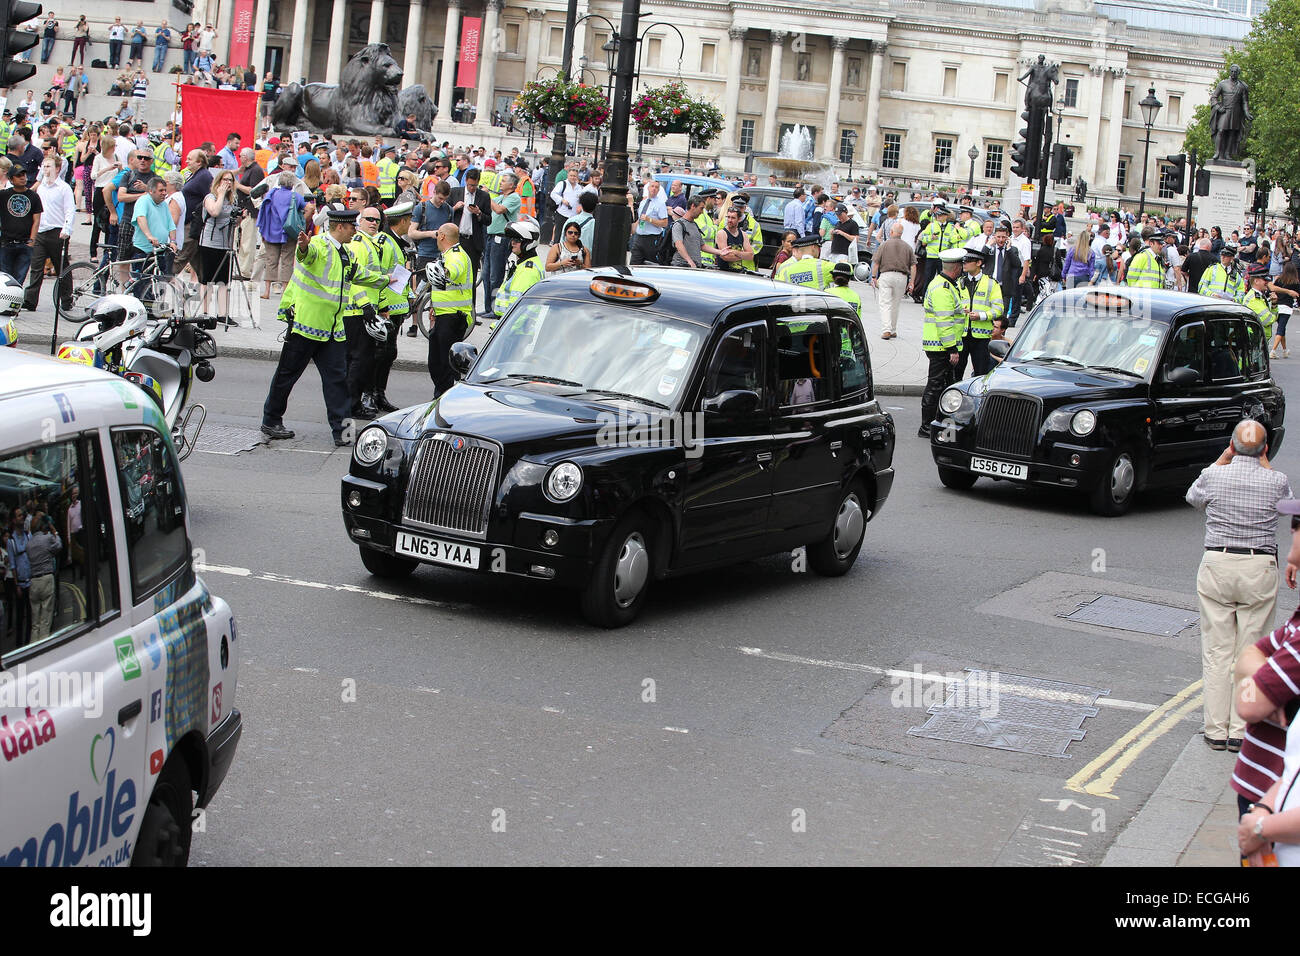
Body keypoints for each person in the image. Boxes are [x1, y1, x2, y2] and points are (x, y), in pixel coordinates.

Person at [1186, 420, 1293, 751]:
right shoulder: (1276, 481)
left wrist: (1222, 459)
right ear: (1264, 449)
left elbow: (1192, 497)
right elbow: (1287, 507)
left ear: (1231, 445)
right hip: (1258, 567)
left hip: (1218, 563)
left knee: (1217, 650)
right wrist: (1266, 464)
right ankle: (1240, 730)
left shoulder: (1214, 475)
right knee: (1252, 650)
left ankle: (1215, 730)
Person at [262, 202, 388, 446]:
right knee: (287, 374)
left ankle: (344, 433)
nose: (355, 231)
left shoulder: (345, 252)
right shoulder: (319, 244)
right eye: (352, 227)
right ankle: (271, 419)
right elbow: (308, 256)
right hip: (306, 325)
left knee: (337, 380)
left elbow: (359, 275)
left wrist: (386, 280)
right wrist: (303, 247)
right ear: (341, 227)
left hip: (332, 330)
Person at [918, 248, 968, 438]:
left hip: (940, 345)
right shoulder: (942, 289)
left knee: (944, 385)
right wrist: (952, 349)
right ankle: (926, 427)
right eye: (961, 265)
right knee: (936, 386)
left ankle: (940, 426)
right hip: (941, 346)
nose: (963, 268)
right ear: (956, 267)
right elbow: (944, 322)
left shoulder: (946, 285)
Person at [426, 223, 474, 398]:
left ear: (442, 237)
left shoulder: (456, 256)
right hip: (444, 315)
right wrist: (434, 306)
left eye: (437, 234)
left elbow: (450, 273)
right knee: (436, 362)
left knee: (446, 365)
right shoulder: (448, 254)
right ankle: (441, 394)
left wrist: (445, 271)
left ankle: (445, 397)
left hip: (453, 318)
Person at [23, 155, 73, 309]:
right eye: (44, 166)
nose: (45, 170)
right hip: (41, 231)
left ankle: (66, 300)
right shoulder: (41, 187)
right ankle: (30, 300)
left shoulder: (64, 188)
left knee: (61, 267)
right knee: (36, 266)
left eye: (49, 166)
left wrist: (66, 229)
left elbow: (70, 210)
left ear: (57, 169)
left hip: (57, 232)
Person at [953, 248, 1003, 380]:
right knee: (956, 371)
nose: (964, 264)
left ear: (979, 263)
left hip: (981, 336)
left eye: (968, 261)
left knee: (980, 374)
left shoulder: (991, 284)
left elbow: (998, 309)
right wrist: (960, 310)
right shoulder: (959, 282)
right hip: (961, 334)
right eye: (963, 261)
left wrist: (981, 316)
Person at [256, 170, 306, 299]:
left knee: (271, 261)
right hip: (288, 232)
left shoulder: (272, 194)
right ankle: (285, 291)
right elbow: (306, 207)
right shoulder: (295, 196)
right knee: (287, 262)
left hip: (271, 231)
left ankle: (266, 291)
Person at [198, 168, 238, 322]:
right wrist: (220, 195)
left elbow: (233, 221)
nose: (228, 183)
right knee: (207, 280)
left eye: (230, 180)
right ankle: (205, 312)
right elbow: (214, 212)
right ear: (218, 181)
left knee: (224, 281)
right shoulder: (210, 197)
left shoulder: (232, 199)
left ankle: (223, 314)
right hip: (209, 242)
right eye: (225, 179)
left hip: (225, 244)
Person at [447, 168, 490, 312]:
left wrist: (478, 213)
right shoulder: (455, 192)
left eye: (475, 186)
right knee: (453, 274)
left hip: (473, 241)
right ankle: (453, 307)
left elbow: (488, 220)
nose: (472, 188)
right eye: (470, 185)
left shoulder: (483, 196)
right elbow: (445, 213)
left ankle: (469, 311)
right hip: (456, 239)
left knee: (470, 278)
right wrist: (454, 208)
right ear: (466, 181)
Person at [481, 171, 520, 315]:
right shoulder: (500, 197)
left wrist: (487, 196)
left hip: (502, 238)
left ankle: (495, 308)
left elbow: (498, 210)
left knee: (495, 276)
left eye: (504, 181)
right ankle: (487, 308)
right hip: (491, 237)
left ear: (511, 185)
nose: (500, 183)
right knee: (486, 275)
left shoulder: (514, 198)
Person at [872, 221, 916, 340]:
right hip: (902, 277)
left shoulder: (884, 245)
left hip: (886, 275)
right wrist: (911, 282)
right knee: (895, 304)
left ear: (891, 232)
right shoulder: (907, 247)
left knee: (885, 303)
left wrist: (873, 277)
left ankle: (886, 329)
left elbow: (876, 262)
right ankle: (893, 329)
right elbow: (913, 266)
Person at [492, 219, 543, 318]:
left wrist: (506, 329)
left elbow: (520, 311)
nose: (512, 243)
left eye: (517, 240)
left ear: (528, 243)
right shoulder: (523, 265)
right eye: (512, 239)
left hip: (516, 330)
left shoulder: (528, 271)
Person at [0, 164, 42, 285]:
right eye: (18, 176)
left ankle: (15, 303)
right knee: (5, 280)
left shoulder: (33, 196)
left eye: (23, 174)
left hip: (25, 244)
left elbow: (36, 221)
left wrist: (32, 241)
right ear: (11, 179)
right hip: (6, 243)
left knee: (19, 280)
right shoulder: (3, 195)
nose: (22, 177)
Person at [25, 514, 60, 642]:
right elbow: (58, 545)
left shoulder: (28, 545)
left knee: (35, 623)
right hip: (46, 579)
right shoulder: (48, 538)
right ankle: (43, 651)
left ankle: (32, 649)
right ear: (42, 527)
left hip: (33, 582)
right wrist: (53, 530)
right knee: (45, 620)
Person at [629, 178, 668, 265]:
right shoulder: (643, 202)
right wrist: (632, 230)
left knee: (650, 264)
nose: (654, 189)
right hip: (639, 238)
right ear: (648, 188)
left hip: (651, 239)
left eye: (656, 187)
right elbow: (639, 219)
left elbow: (664, 223)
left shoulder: (661, 204)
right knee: (634, 264)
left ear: (659, 190)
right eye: (652, 186)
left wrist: (649, 219)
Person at [1269, 261, 1299, 359]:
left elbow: (1272, 289)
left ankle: (1285, 350)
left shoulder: (1279, 280)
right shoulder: (1296, 282)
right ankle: (1273, 350)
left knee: (1282, 329)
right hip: (1286, 308)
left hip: (1277, 306)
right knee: (1281, 329)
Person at [1242, 263, 1278, 345]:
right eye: (1264, 280)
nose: (1267, 282)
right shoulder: (1254, 298)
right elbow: (1268, 320)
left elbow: (1271, 317)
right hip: (1254, 338)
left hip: (1259, 338)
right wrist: (1273, 315)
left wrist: (1274, 304)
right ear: (1256, 281)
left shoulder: (1260, 296)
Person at [712, 205, 753, 273]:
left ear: (739, 219)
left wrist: (735, 252)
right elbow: (725, 257)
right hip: (724, 272)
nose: (730, 220)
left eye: (733, 218)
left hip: (738, 273)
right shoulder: (722, 233)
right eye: (728, 217)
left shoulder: (743, 235)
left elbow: (751, 256)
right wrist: (743, 255)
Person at [670, 195, 706, 268]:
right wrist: (690, 261)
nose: (702, 212)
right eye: (701, 208)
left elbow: (702, 246)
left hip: (694, 266)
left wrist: (720, 252)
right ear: (693, 206)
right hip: (682, 266)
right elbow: (678, 245)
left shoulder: (695, 225)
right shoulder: (679, 224)